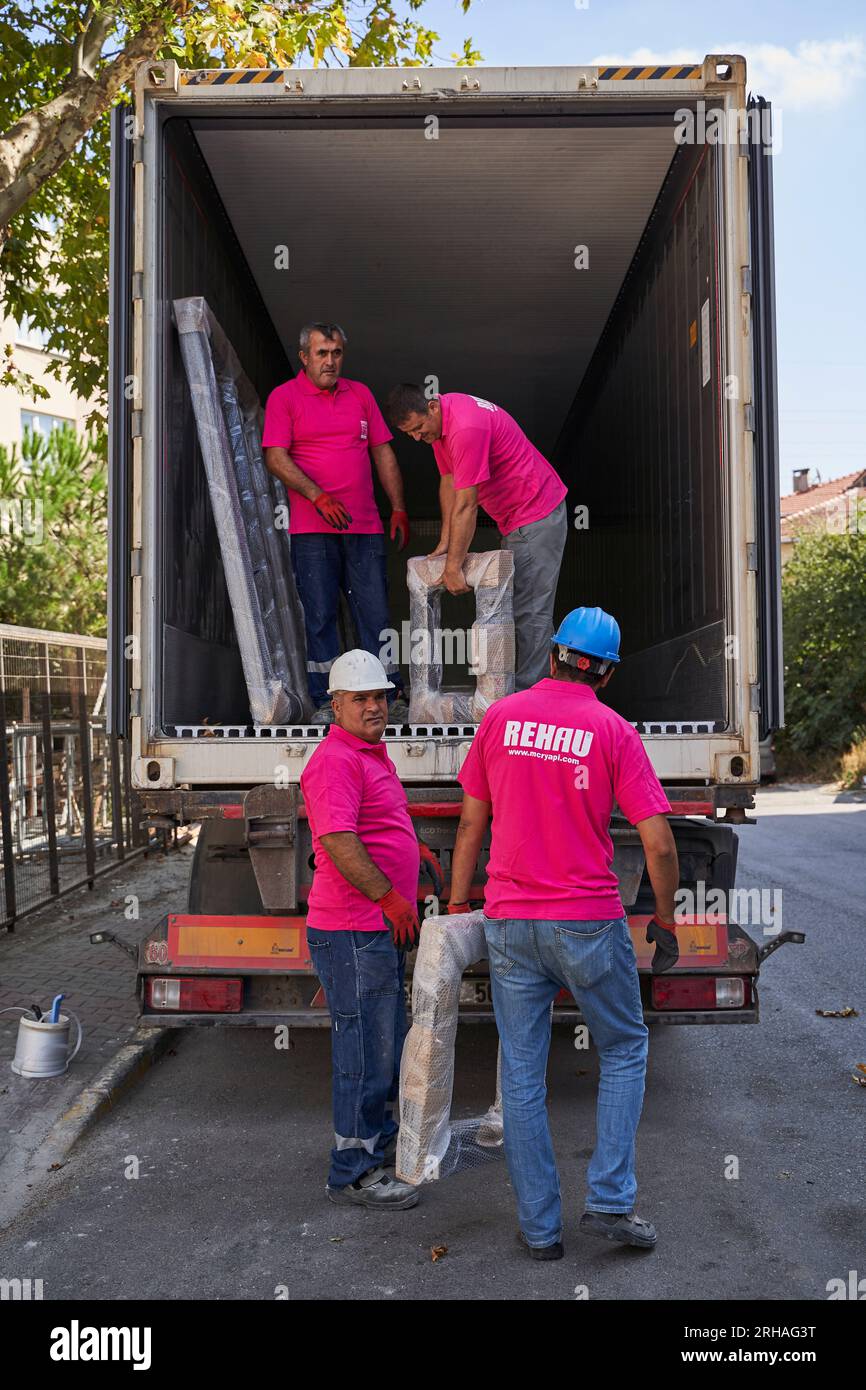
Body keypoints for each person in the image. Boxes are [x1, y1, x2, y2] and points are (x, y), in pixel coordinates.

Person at [447, 607, 681, 1258]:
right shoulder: (612, 730)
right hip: (586, 922)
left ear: (552, 655)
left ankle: (541, 1231)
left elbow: (471, 825)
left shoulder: (499, 720)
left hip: (510, 923)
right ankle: (608, 1200)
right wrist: (665, 919)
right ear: (603, 671)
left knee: (521, 1076)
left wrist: (461, 901)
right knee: (626, 1049)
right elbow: (658, 844)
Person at [300, 649, 444, 1208]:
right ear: (336, 705)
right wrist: (390, 896)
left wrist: (416, 851)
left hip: (370, 930)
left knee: (383, 1042)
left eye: (380, 696)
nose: (374, 707)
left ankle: (378, 1146)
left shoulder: (368, 753)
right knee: (363, 1048)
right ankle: (352, 1172)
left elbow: (376, 822)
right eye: (360, 698)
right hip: (353, 930)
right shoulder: (336, 760)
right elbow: (338, 841)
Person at [263, 324, 411, 724]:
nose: (330, 361)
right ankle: (328, 702)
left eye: (337, 353)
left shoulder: (360, 395)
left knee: (375, 614)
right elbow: (275, 457)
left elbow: (383, 453)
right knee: (321, 614)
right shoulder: (284, 398)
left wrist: (397, 507)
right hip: (312, 531)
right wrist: (317, 496)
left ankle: (387, 697)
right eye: (322, 353)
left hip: (364, 528)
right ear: (305, 357)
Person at [385, 384, 568, 689]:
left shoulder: (465, 427)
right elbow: (448, 480)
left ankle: (529, 698)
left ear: (431, 407)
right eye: (410, 434)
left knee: (531, 612)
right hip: (516, 521)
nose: (417, 437)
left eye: (418, 428)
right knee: (516, 610)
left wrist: (453, 566)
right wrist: (445, 539)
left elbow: (468, 505)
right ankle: (518, 694)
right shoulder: (441, 424)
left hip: (537, 513)